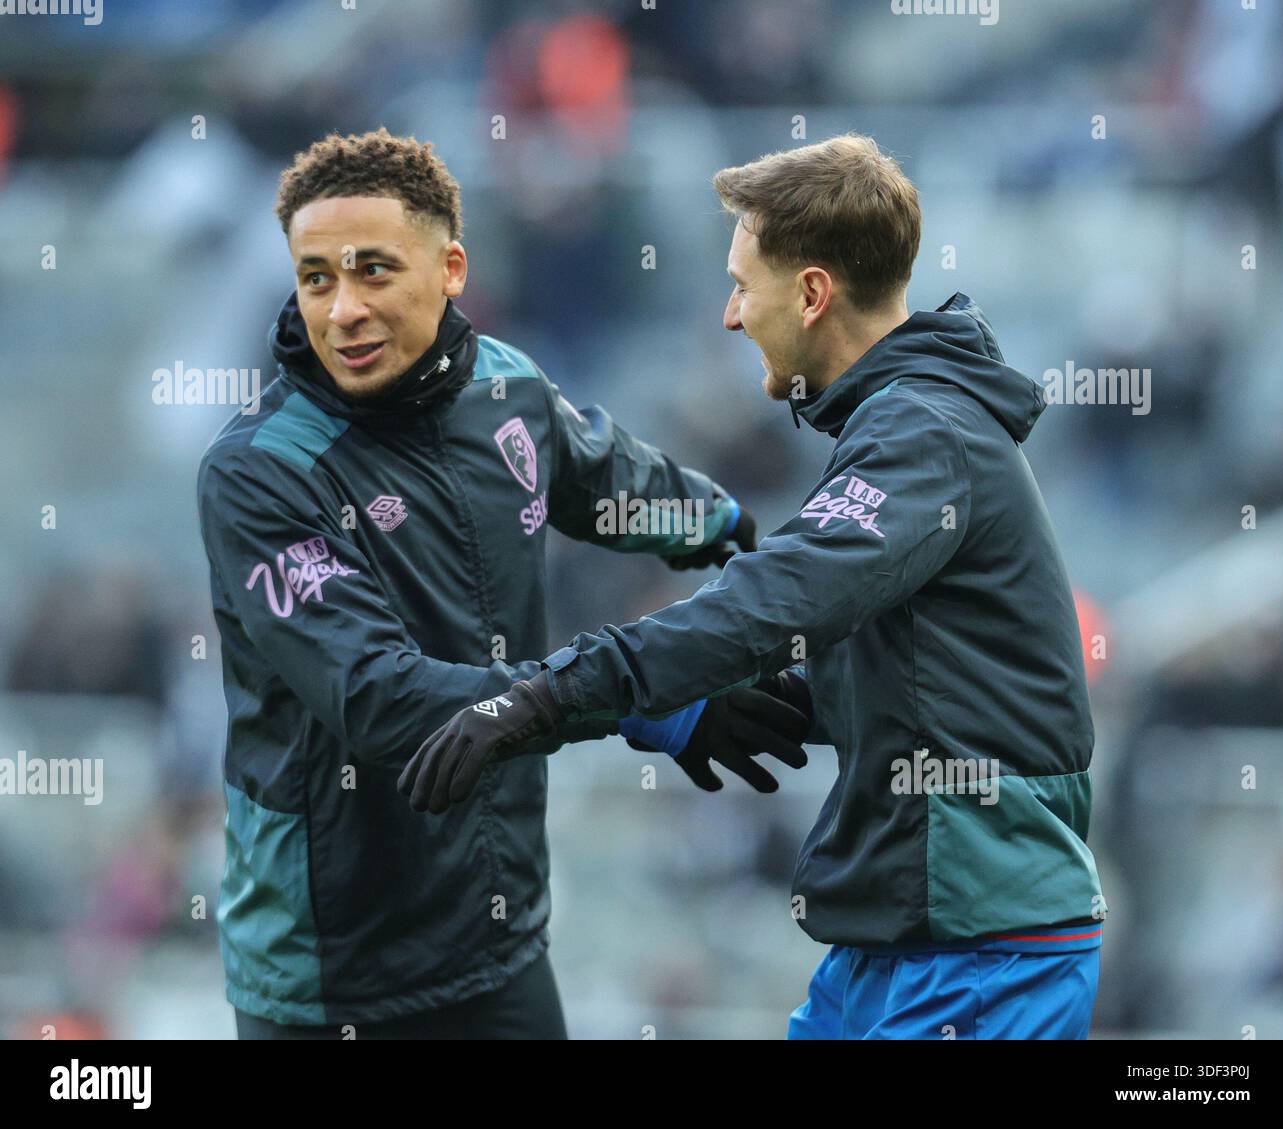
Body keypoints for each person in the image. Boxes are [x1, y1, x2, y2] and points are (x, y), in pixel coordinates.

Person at [401, 133, 1109, 1040]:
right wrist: (659, 709)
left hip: (981, 958)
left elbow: (777, 601)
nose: (731, 316)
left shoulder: (924, 433)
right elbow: (897, 681)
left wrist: (552, 692)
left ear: (812, 293)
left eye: (742, 285)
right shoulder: (901, 427)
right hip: (891, 949)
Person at [196, 128, 809, 1040]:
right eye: (317, 276)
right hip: (330, 978)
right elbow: (379, 697)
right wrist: (644, 701)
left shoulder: (507, 391)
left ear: (450, 268)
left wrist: (754, 547)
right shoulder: (259, 473)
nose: (342, 309)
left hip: (501, 937)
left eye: (374, 271)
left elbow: (623, 491)